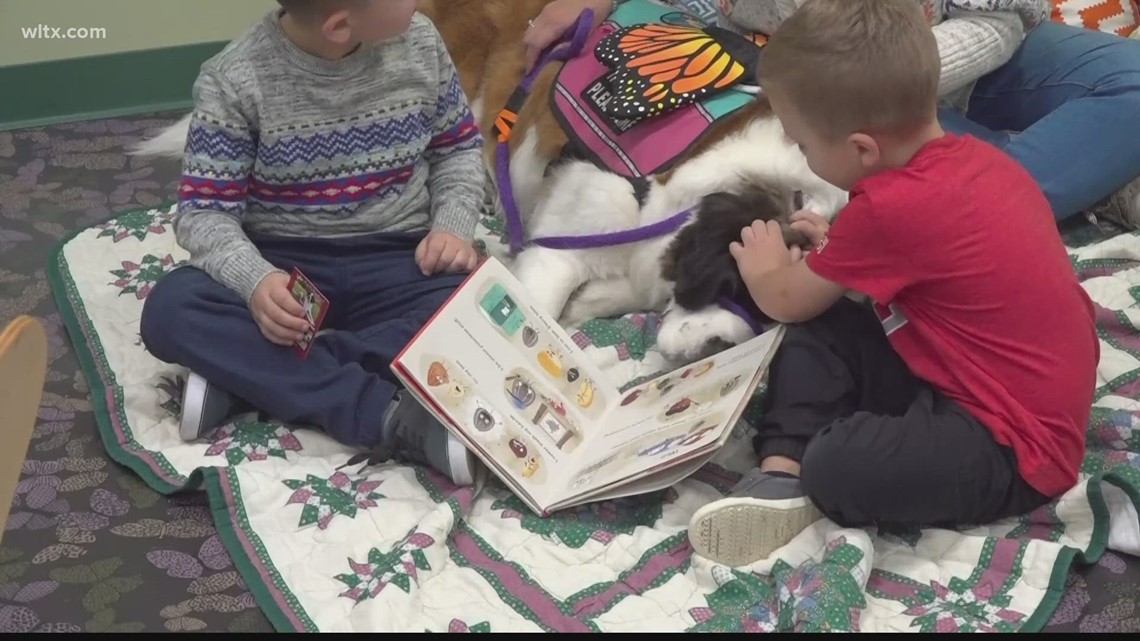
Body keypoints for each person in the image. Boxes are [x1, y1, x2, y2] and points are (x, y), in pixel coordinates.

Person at [684, 0, 1100, 567]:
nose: (796, 152)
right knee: (831, 318)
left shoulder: (888, 209)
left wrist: (763, 264)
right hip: (978, 376)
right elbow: (919, 257)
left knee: (838, 457)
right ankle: (781, 471)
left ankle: (806, 471)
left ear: (861, 149)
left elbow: (783, 298)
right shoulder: (976, 160)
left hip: (1016, 447)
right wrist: (838, 248)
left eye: (803, 144)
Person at [139, 0, 485, 485]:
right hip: (282, 265)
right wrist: (255, 281)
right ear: (340, 25)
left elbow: (458, 149)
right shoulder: (233, 79)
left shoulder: (422, 42)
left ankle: (251, 378)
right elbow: (204, 212)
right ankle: (383, 416)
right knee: (171, 309)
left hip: (399, 258)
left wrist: (451, 225)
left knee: (491, 308)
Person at [524, 0, 1140, 228]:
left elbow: (1003, 16)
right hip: (811, 76)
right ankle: (1050, 179)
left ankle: (976, 191)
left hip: (971, 47)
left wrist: (894, 75)